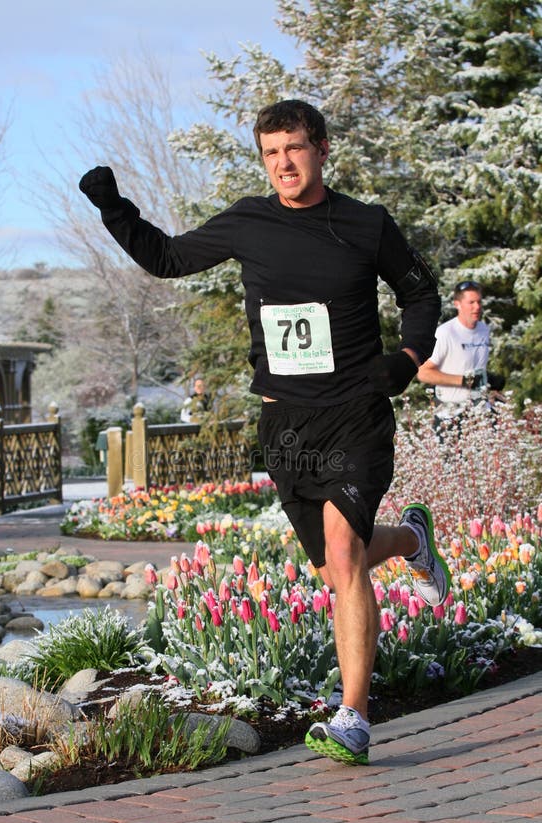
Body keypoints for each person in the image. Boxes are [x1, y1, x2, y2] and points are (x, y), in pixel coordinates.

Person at [79, 99, 450, 766]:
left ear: (322, 149)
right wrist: (114, 208)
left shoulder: (365, 225)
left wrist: (405, 357)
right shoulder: (247, 222)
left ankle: (354, 718)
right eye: (272, 152)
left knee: (342, 556)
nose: (284, 163)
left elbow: (421, 291)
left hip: (355, 413)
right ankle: (411, 541)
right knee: (337, 569)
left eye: (296, 149)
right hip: (285, 423)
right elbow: (165, 258)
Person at [417, 280, 504, 433]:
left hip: (481, 412)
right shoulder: (445, 333)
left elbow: (471, 365)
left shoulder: (484, 330)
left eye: (478, 302)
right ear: (457, 304)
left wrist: (488, 379)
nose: (477, 307)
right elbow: (423, 373)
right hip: (451, 415)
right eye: (471, 302)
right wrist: (464, 381)